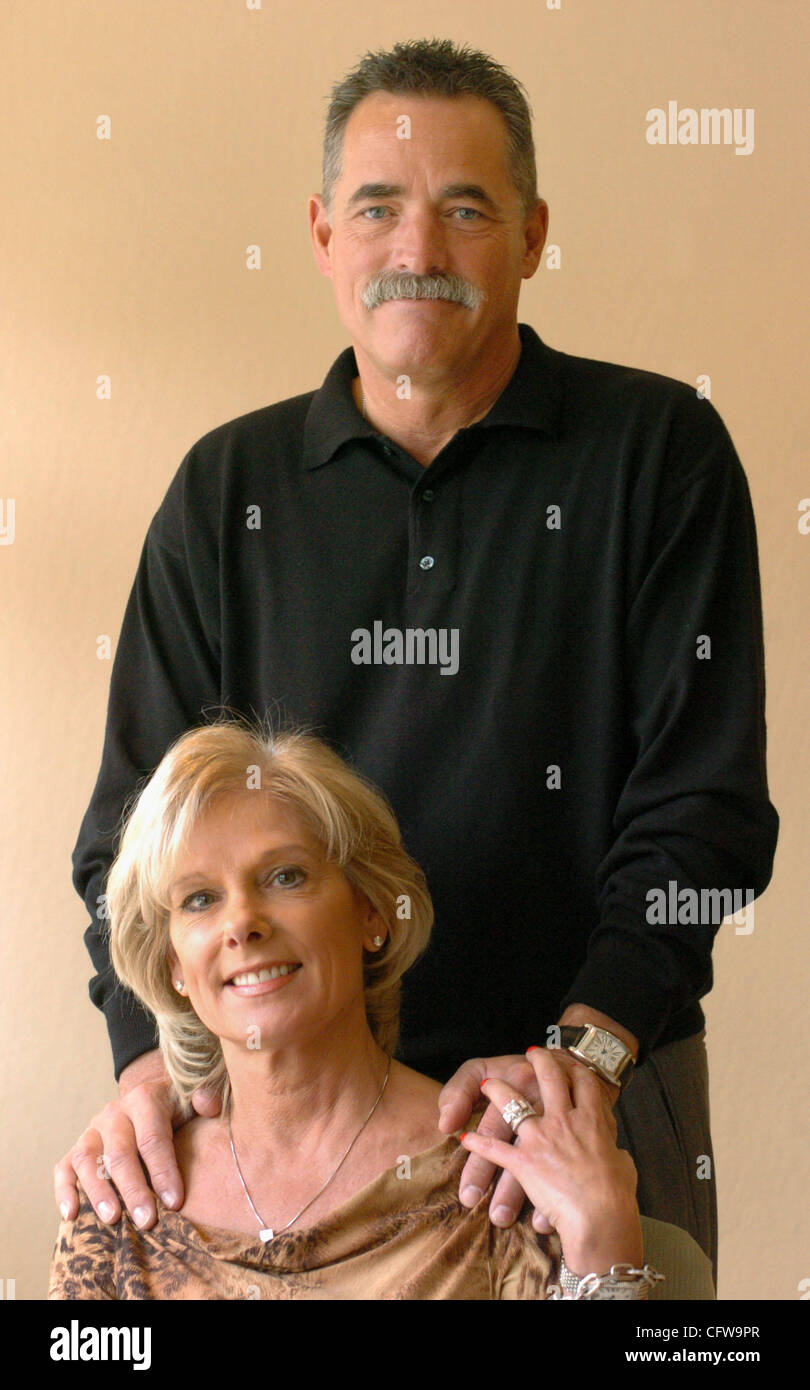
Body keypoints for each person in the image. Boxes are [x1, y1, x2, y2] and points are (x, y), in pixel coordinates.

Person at [58, 39, 778, 1291]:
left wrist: (580, 1060)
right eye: (380, 209)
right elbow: (133, 843)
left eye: (466, 210)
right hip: (282, 1107)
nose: (419, 253)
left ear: (534, 232)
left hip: (592, 1087)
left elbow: (702, 820)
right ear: (325, 233)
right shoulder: (229, 489)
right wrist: (148, 1070)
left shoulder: (661, 452)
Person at [50, 720, 670, 1300]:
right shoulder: (118, 1197)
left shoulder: (504, 1169)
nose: (241, 923)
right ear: (174, 968)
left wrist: (604, 1251)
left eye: (285, 877)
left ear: (371, 911)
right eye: (200, 899)